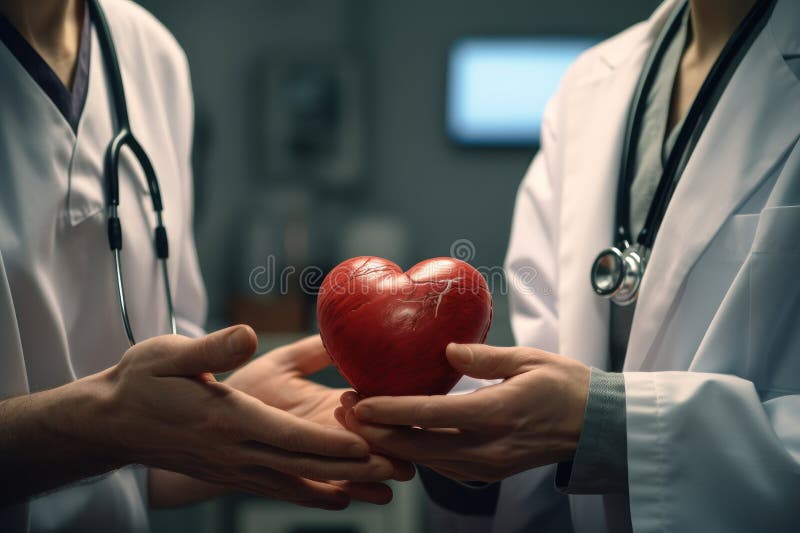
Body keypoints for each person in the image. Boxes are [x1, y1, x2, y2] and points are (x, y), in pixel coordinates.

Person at [338, 0, 800, 531]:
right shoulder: (590, 84)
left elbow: (572, 418)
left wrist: (609, 427)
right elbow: (544, 365)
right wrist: (460, 452)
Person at [0, 1, 411, 532]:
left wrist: (224, 426)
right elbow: (125, 433)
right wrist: (107, 424)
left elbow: (147, 469)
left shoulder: (150, 54)